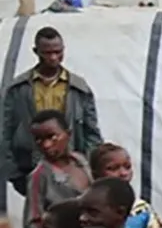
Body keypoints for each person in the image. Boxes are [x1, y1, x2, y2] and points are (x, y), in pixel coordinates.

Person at [5, 26, 99, 195]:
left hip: (70, 166)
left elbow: (92, 132)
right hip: (31, 167)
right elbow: (5, 131)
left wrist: (88, 167)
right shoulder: (18, 89)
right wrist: (13, 172)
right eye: (47, 53)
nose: (54, 58)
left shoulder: (78, 88)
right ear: (36, 52)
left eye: (58, 52)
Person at [26, 110, 91, 228]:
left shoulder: (82, 162)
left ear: (68, 134)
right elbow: (32, 221)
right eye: (39, 139)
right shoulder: (40, 175)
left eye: (52, 137)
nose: (46, 145)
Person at [88, 144, 162, 228]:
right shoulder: (88, 208)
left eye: (127, 167)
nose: (123, 173)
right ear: (96, 174)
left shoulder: (141, 208)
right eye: (113, 168)